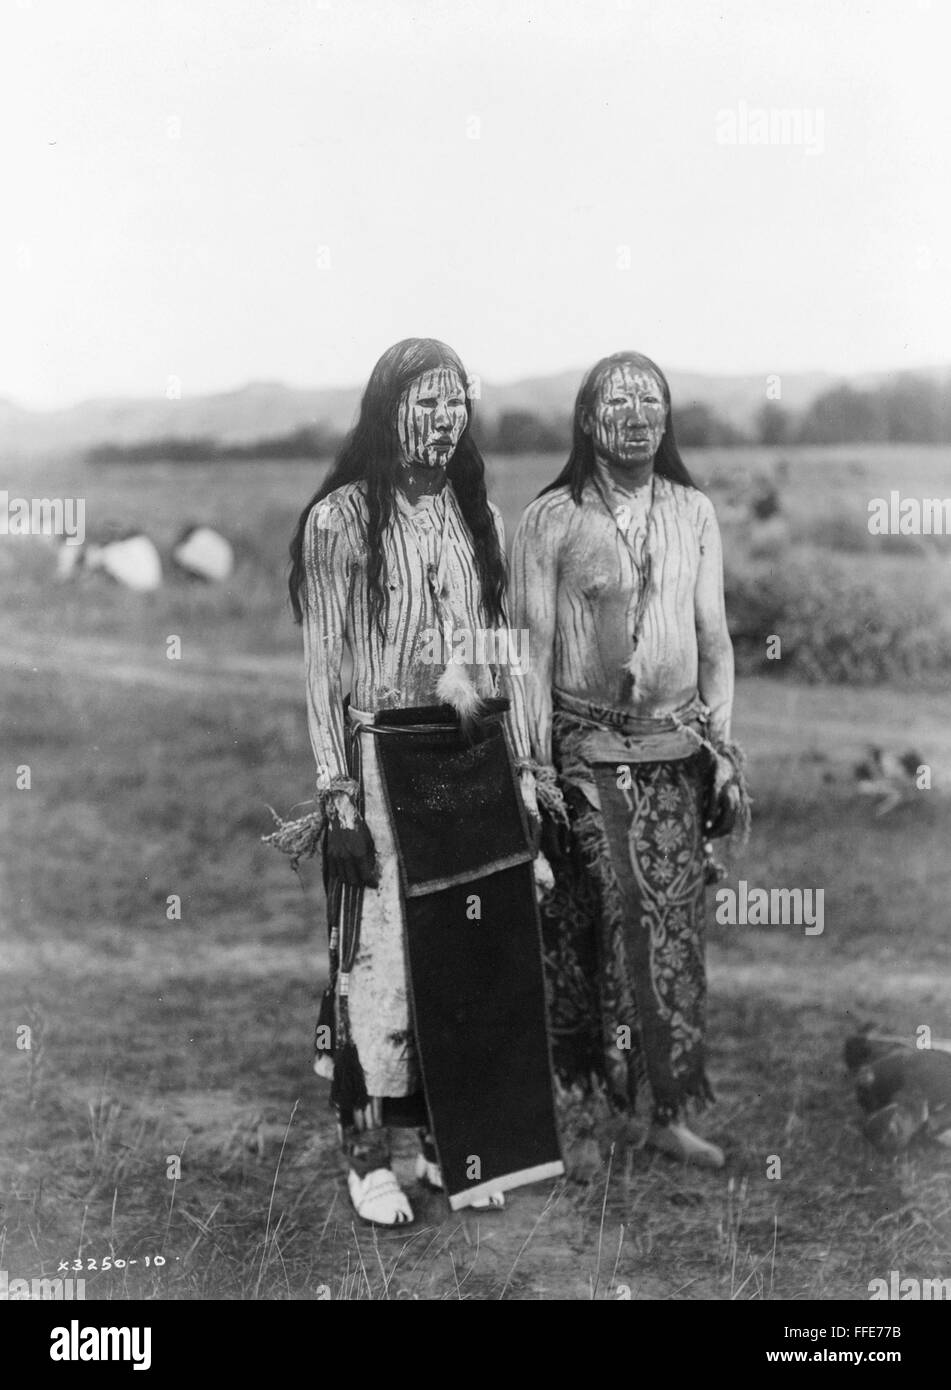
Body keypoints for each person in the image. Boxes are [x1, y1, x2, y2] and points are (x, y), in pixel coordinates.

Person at [286, 337, 563, 1223]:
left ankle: (447, 1143)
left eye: (456, 406)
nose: (443, 423)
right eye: (424, 404)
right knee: (377, 962)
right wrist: (337, 799)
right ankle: (368, 1153)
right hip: (378, 760)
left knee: (461, 955)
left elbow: (499, 652)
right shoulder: (338, 521)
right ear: (385, 409)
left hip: (467, 755)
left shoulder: (472, 513)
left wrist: (523, 768)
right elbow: (323, 667)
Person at [510, 350, 748, 1169]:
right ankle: (577, 1110)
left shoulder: (692, 511)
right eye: (618, 401)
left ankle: (661, 1112)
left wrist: (723, 751)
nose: (637, 413)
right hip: (584, 753)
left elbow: (715, 643)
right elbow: (529, 659)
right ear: (587, 420)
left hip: (677, 751)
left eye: (651, 400)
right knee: (599, 921)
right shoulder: (551, 519)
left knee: (673, 934)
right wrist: (532, 775)